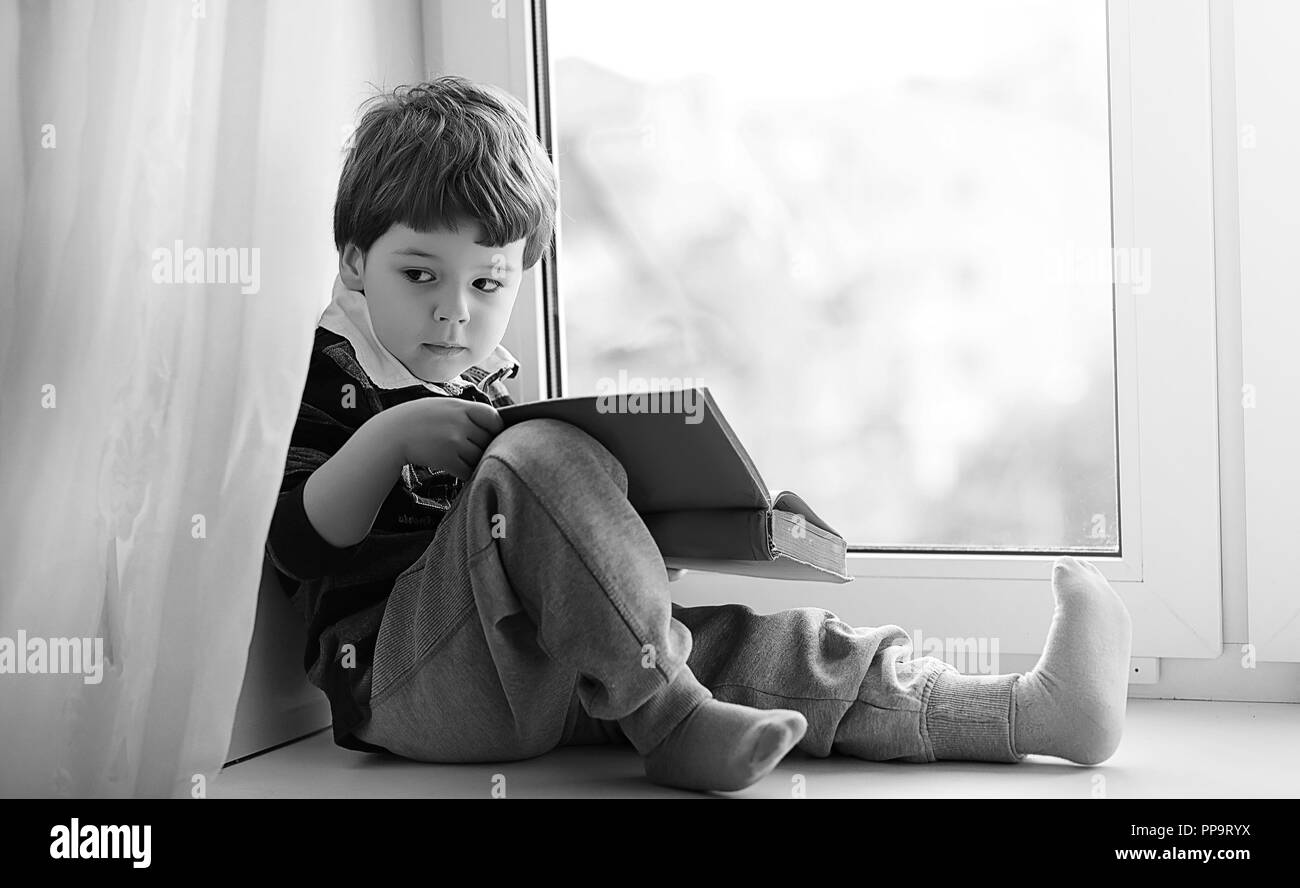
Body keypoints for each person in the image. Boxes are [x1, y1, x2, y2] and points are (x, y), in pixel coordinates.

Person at [264, 75, 1133, 793]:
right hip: (410, 687)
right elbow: (296, 545)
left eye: (488, 283)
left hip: (543, 671)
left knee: (757, 648)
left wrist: (628, 549)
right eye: (421, 274)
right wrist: (386, 441)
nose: (455, 311)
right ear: (353, 263)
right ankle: (672, 721)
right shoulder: (335, 371)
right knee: (540, 457)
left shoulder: (490, 386)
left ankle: (1028, 709)